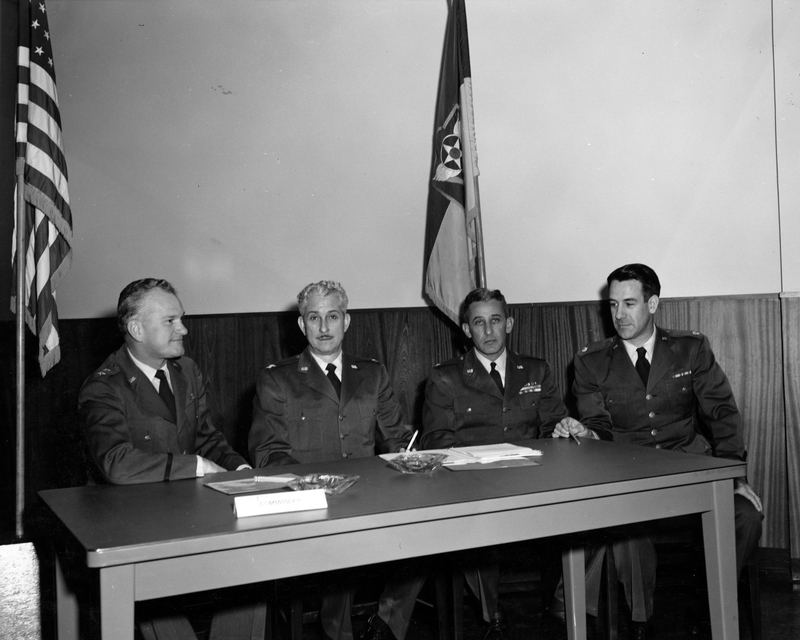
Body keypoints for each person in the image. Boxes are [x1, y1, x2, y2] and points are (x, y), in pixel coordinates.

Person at [552, 263, 764, 640]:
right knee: (627, 530)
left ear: (652, 303)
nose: (619, 315)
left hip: (690, 470)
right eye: (613, 305)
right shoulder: (590, 361)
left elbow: (722, 414)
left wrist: (733, 475)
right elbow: (598, 426)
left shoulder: (690, 349)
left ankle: (713, 603)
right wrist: (586, 432)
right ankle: (640, 623)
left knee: (746, 514)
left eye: (629, 303)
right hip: (630, 477)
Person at [79, 278, 262, 640]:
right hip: (134, 525)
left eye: (182, 318)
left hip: (192, 512)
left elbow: (207, 438)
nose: (184, 329)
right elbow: (116, 462)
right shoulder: (103, 387)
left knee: (255, 572)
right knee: (159, 609)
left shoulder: (187, 371)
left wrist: (240, 468)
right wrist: (195, 466)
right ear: (136, 329)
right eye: (170, 321)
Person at [249, 280, 421, 640]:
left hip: (371, 497)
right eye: (314, 317)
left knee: (428, 537)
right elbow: (268, 453)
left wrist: (413, 455)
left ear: (347, 321)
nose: (324, 327)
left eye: (332, 316)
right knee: (341, 558)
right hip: (312, 504)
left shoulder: (373, 373)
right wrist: (313, 486)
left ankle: (387, 624)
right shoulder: (276, 379)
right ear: (301, 325)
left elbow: (396, 439)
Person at [421, 287, 581, 640]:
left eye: (495, 321)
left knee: (584, 515)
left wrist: (564, 428)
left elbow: (553, 426)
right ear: (466, 329)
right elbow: (437, 441)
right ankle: (490, 614)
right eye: (479, 323)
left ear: (509, 323)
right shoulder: (445, 377)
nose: (489, 331)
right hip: (474, 484)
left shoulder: (536, 370)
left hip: (533, 483)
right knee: (475, 520)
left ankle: (563, 602)